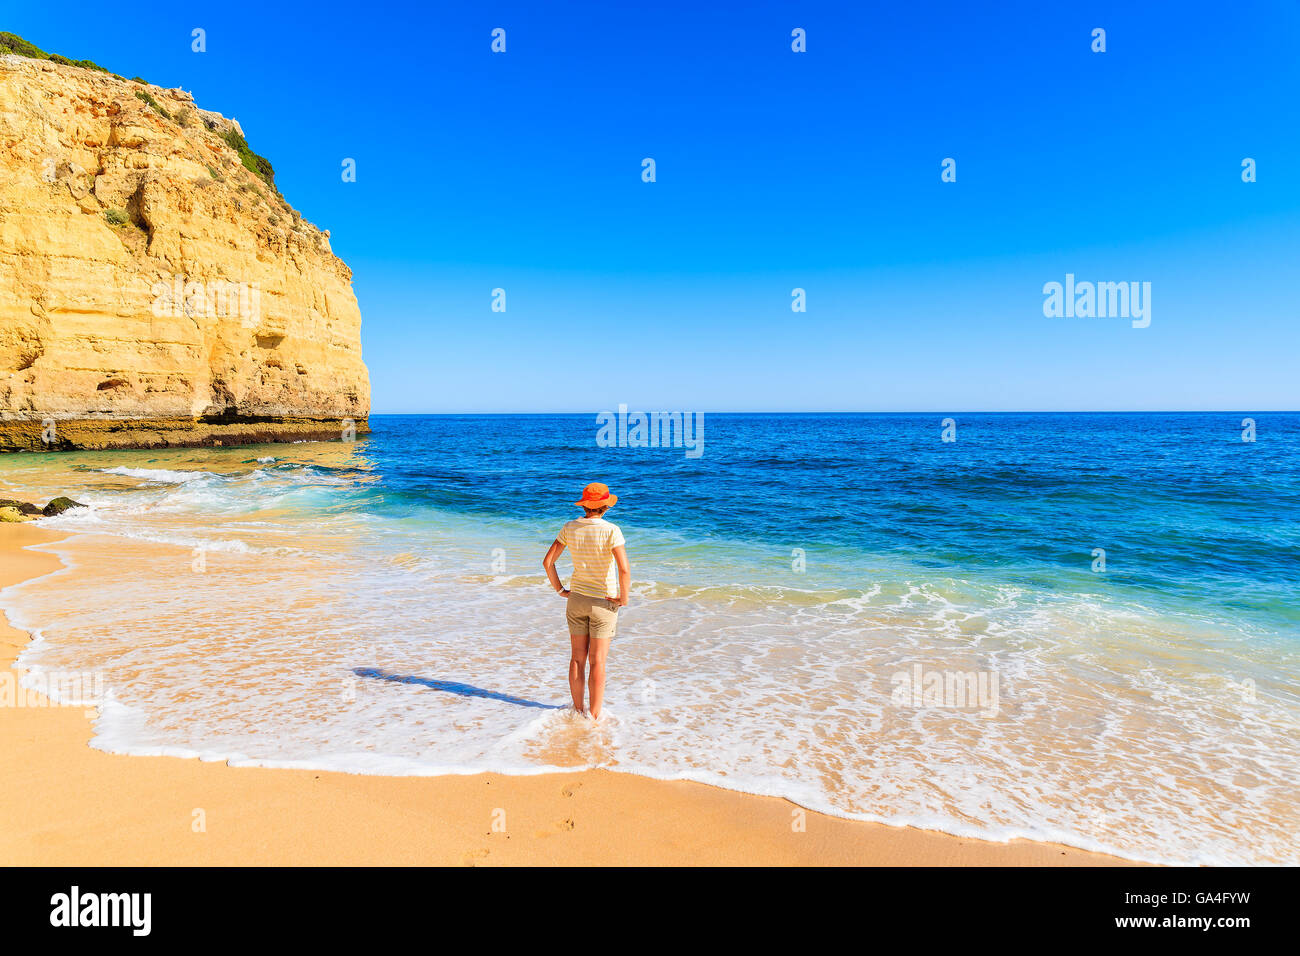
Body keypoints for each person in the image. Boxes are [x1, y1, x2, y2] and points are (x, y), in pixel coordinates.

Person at [542, 482, 630, 720]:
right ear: (605, 506)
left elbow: (548, 562)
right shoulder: (612, 530)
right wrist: (624, 597)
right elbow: (623, 569)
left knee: (577, 658)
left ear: (586, 505)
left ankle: (578, 710)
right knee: (598, 661)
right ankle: (595, 716)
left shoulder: (570, 527)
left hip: (577, 600)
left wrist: (560, 589)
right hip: (604, 602)